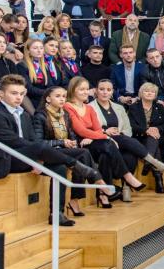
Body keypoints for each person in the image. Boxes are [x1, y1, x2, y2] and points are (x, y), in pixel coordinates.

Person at [0, 75, 105, 225]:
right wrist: (36, 154)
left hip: (25, 156)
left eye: (21, 94)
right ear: (1, 94)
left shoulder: (24, 114)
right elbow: (13, 142)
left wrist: (38, 156)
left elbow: (33, 140)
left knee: (59, 168)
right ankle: (75, 164)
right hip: (4, 160)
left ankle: (57, 214)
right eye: (14, 93)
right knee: (41, 146)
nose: (19, 97)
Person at [63, 76, 151, 204]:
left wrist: (95, 137)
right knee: (108, 143)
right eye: (81, 89)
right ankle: (127, 176)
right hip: (79, 143)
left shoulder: (89, 108)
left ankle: (104, 194)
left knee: (105, 154)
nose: (85, 92)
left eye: (87, 89)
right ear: (73, 90)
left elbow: (98, 129)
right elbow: (81, 131)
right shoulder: (68, 106)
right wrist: (106, 136)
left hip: (92, 142)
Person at [32, 85, 112, 212]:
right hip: (48, 152)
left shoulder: (65, 114)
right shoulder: (40, 116)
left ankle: (77, 198)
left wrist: (73, 143)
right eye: (58, 96)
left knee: (83, 156)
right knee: (83, 153)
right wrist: (62, 142)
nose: (62, 99)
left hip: (63, 150)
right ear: (48, 99)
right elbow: (38, 142)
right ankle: (99, 184)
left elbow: (72, 135)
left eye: (64, 96)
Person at [90, 79, 163, 201]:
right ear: (96, 91)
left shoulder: (119, 107)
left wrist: (120, 133)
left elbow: (128, 129)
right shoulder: (90, 107)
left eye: (108, 90)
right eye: (101, 89)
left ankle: (121, 188)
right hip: (101, 142)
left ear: (112, 92)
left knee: (130, 156)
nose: (105, 92)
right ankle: (150, 161)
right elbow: (89, 128)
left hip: (120, 142)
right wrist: (105, 132)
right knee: (105, 155)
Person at [128, 82, 164, 193]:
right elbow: (131, 125)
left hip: (157, 137)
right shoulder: (133, 107)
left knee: (153, 138)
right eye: (146, 91)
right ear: (141, 93)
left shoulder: (159, 107)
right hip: (139, 137)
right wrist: (146, 130)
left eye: (152, 92)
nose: (149, 93)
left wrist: (157, 129)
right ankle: (159, 180)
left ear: (155, 94)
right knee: (154, 144)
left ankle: (148, 161)